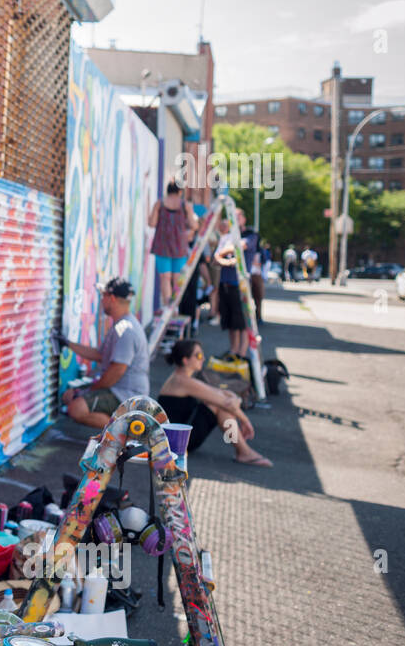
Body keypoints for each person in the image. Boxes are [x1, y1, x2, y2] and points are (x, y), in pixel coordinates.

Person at [158, 340, 271, 466]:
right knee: (218, 406)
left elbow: (221, 393)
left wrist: (234, 399)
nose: (203, 358)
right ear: (186, 360)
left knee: (215, 403)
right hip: (177, 442)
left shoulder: (180, 378)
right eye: (199, 355)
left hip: (176, 438)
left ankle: (242, 450)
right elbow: (225, 402)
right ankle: (243, 451)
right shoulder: (183, 381)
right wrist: (245, 421)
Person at [57, 277, 150, 430]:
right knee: (74, 399)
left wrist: (85, 391)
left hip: (126, 395)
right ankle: (124, 429)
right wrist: (67, 343)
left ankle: (126, 431)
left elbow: (116, 371)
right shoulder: (121, 325)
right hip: (120, 390)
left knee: (76, 408)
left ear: (112, 298)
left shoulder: (126, 330)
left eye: (103, 296)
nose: (101, 301)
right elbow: (100, 355)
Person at [148, 180, 199, 307]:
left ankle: (167, 303)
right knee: (177, 278)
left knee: (165, 278)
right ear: (180, 191)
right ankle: (175, 305)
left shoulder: (159, 203)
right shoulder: (185, 205)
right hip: (179, 246)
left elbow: (152, 223)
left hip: (162, 244)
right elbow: (194, 225)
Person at [214, 212, 249, 358]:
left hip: (240, 286)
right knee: (230, 322)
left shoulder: (249, 235)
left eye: (238, 217)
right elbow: (216, 257)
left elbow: (240, 247)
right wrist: (227, 261)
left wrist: (225, 255)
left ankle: (242, 352)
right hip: (225, 284)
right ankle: (233, 350)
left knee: (242, 322)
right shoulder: (226, 237)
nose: (233, 220)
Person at [239, 210, 265, 325]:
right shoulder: (236, 234)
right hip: (245, 271)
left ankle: (258, 316)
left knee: (258, 295)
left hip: (255, 272)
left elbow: (261, 258)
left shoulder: (251, 236)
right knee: (246, 295)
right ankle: (247, 317)